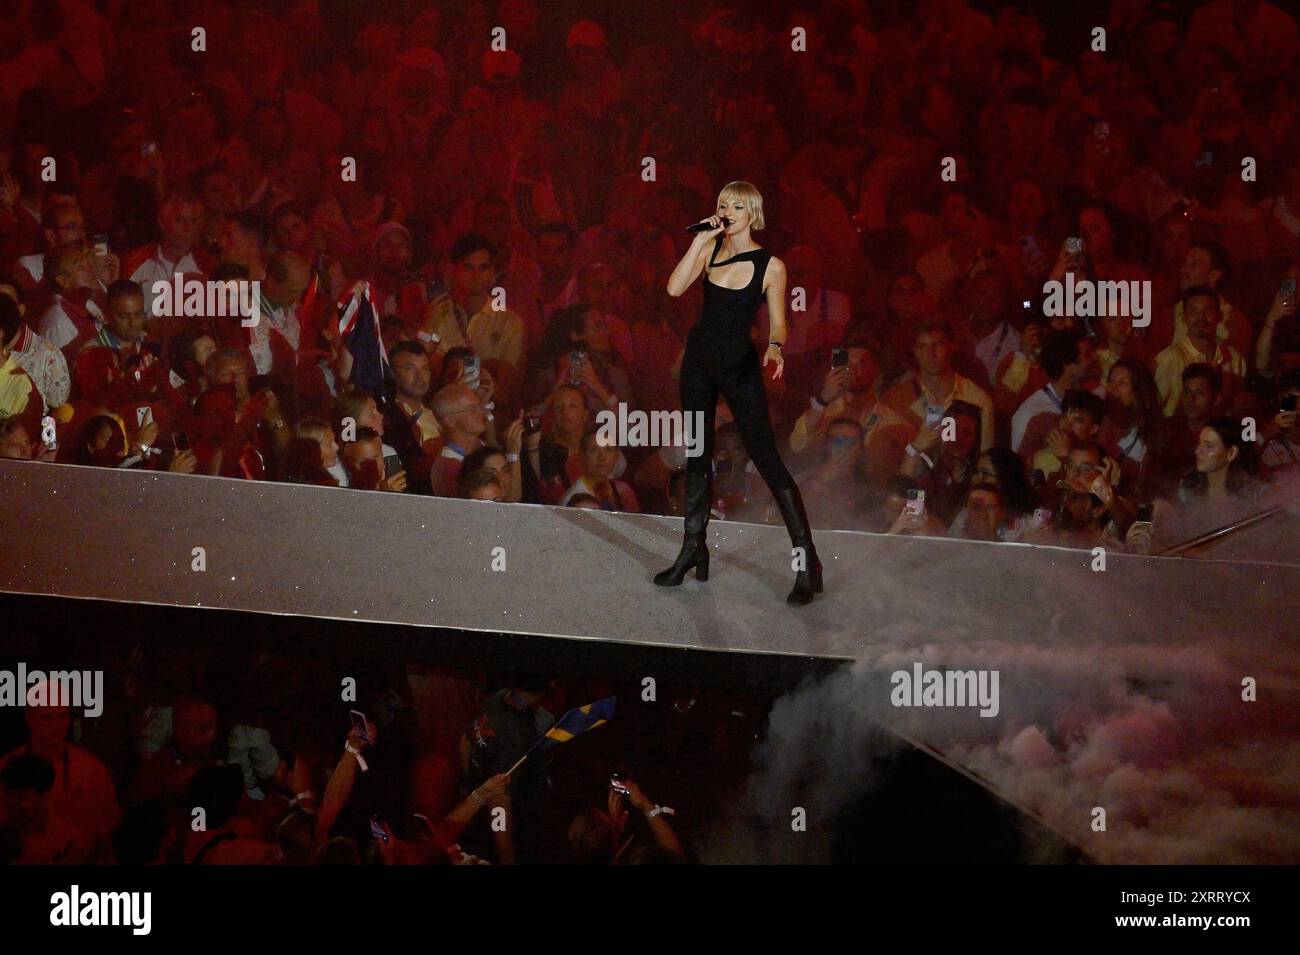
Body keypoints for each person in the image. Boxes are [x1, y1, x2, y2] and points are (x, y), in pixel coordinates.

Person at [657, 181, 822, 605]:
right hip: (698, 365)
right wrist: (699, 241)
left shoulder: (772, 265)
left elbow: (779, 321)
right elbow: (675, 288)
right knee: (698, 455)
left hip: (740, 368)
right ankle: (693, 548)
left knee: (767, 459)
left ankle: (807, 563)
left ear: (751, 212)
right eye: (721, 204)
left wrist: (775, 345)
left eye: (734, 205)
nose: (726, 210)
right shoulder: (709, 249)